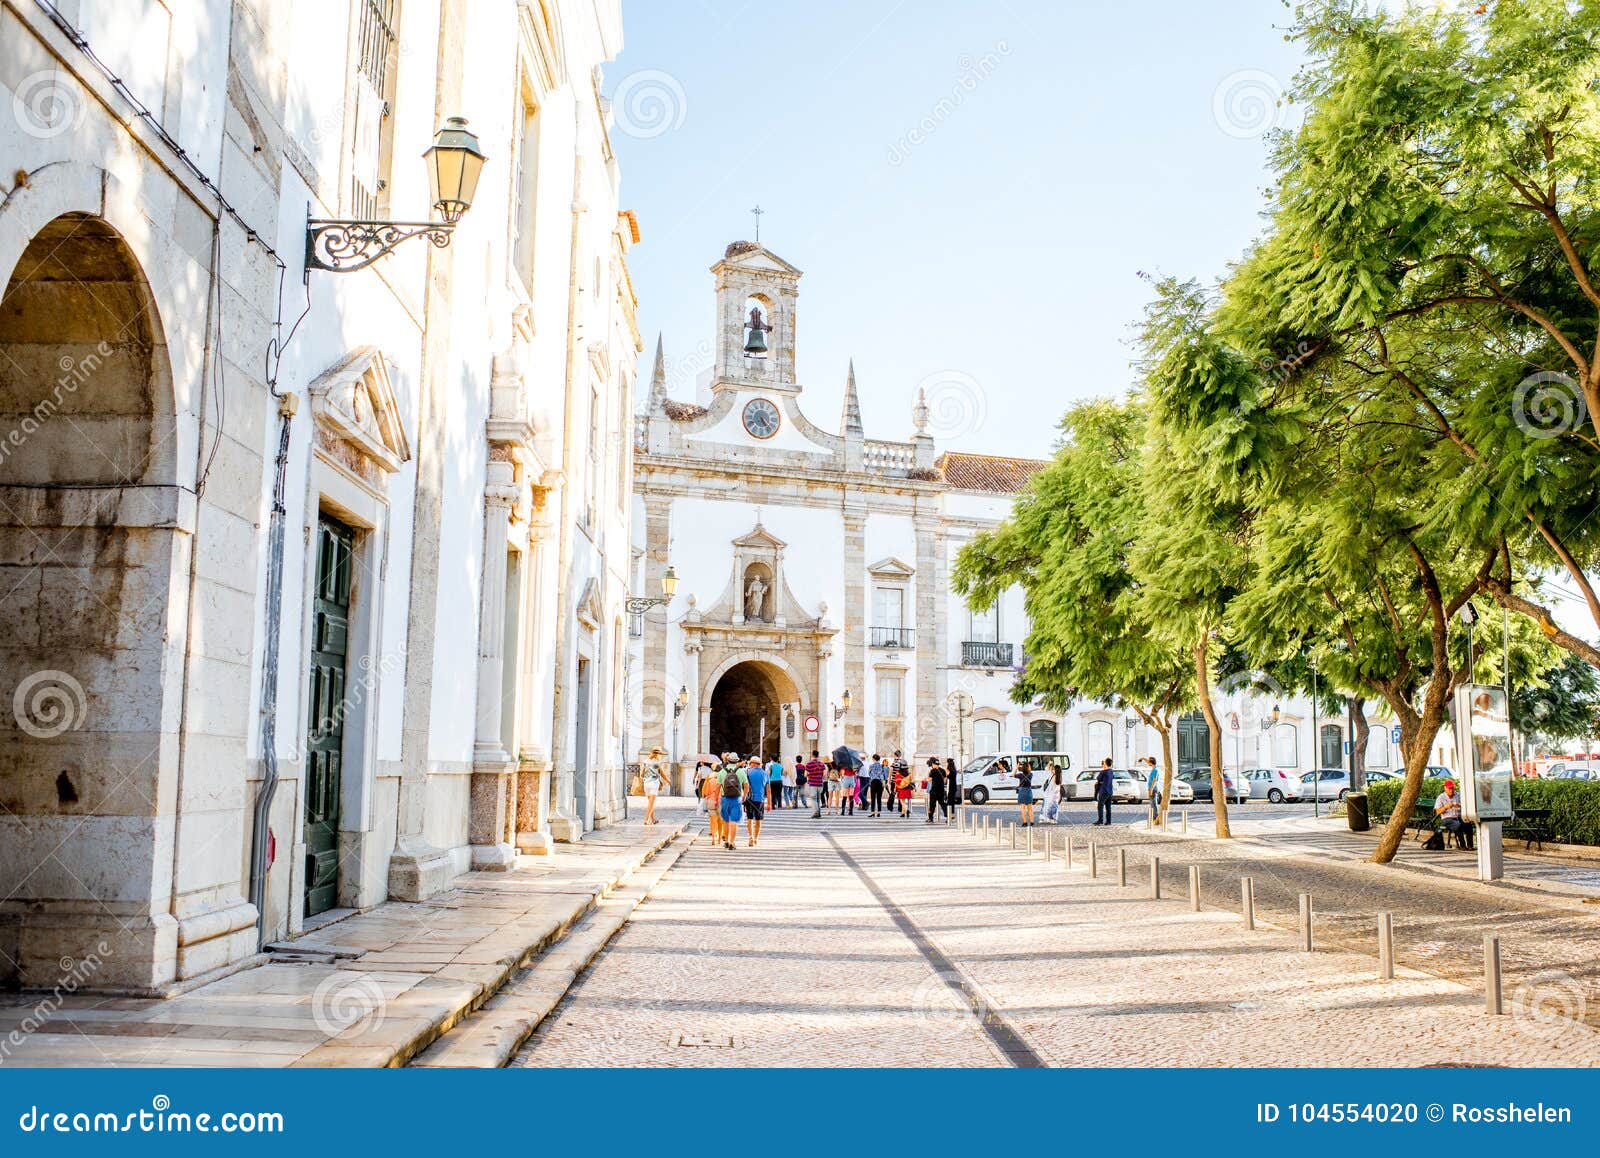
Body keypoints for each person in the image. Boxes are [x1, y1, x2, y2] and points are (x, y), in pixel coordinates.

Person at [1434, 778, 1471, 849]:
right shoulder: (1441, 797)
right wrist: (1445, 807)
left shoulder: (1458, 795)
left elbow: (1465, 805)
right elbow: (1438, 811)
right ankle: (1462, 845)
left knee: (1468, 824)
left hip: (1459, 817)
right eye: (1449, 788)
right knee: (1458, 825)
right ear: (1445, 788)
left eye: (1452, 788)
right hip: (1447, 819)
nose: (1451, 790)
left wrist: (1458, 805)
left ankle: (1470, 846)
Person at [744, 757, 768, 847]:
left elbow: (744, 785)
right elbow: (768, 790)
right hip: (760, 799)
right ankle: (756, 839)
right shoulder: (765, 773)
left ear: (752, 763)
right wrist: (769, 803)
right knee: (758, 820)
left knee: (749, 818)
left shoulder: (747, 772)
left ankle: (751, 837)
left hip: (749, 799)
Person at [642, 747, 668, 826]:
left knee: (650, 803)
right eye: (660, 754)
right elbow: (663, 774)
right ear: (658, 754)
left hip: (646, 784)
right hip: (654, 784)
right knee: (651, 804)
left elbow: (642, 774)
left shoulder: (646, 761)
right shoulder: (658, 762)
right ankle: (646, 820)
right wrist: (668, 781)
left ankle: (653, 819)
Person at [701, 761, 725, 841]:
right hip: (721, 800)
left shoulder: (709, 778)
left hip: (711, 801)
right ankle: (719, 839)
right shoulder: (723, 778)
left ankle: (713, 838)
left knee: (712, 820)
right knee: (720, 820)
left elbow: (705, 792)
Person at [804, 751, 828, 818]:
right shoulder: (822, 764)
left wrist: (810, 774)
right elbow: (825, 775)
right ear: (818, 755)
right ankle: (819, 813)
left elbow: (805, 775)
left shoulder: (809, 764)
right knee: (818, 799)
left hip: (812, 783)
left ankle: (816, 812)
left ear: (812, 755)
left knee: (813, 799)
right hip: (820, 783)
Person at [1093, 757, 1115, 826]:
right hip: (1110, 791)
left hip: (1103, 791)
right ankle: (1108, 821)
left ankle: (1100, 820)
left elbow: (1098, 778)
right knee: (1108, 807)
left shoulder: (1103, 772)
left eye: (1104, 762)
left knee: (1100, 806)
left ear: (1105, 763)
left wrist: (1101, 781)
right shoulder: (1111, 771)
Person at [926, 757, 948, 823]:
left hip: (934, 790)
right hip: (941, 790)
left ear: (933, 764)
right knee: (943, 804)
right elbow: (945, 780)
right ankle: (948, 817)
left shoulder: (933, 770)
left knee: (932, 805)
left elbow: (929, 779)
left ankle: (931, 818)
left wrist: (926, 779)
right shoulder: (943, 770)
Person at [1015, 760, 1036, 826]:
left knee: (1023, 808)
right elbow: (1029, 770)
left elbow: (1013, 775)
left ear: (1022, 768)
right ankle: (1032, 822)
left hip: (1022, 791)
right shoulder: (1031, 774)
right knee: (1030, 808)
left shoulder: (1020, 775)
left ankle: (1025, 822)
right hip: (1029, 791)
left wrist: (1017, 767)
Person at [891, 751, 910, 815]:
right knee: (903, 800)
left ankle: (906, 809)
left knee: (901, 800)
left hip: (901, 788)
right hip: (907, 787)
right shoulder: (907, 773)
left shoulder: (898, 774)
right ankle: (902, 812)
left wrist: (895, 788)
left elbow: (896, 782)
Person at [1146, 758, 1163, 824]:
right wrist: (1143, 758)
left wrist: (1151, 789)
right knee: (1152, 804)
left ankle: (1155, 818)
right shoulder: (1154, 769)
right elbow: (1147, 761)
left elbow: (1154, 780)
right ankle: (1154, 818)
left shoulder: (1155, 770)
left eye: (1148, 761)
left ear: (1151, 762)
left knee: (1153, 804)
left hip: (1153, 789)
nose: (1147, 762)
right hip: (1151, 789)